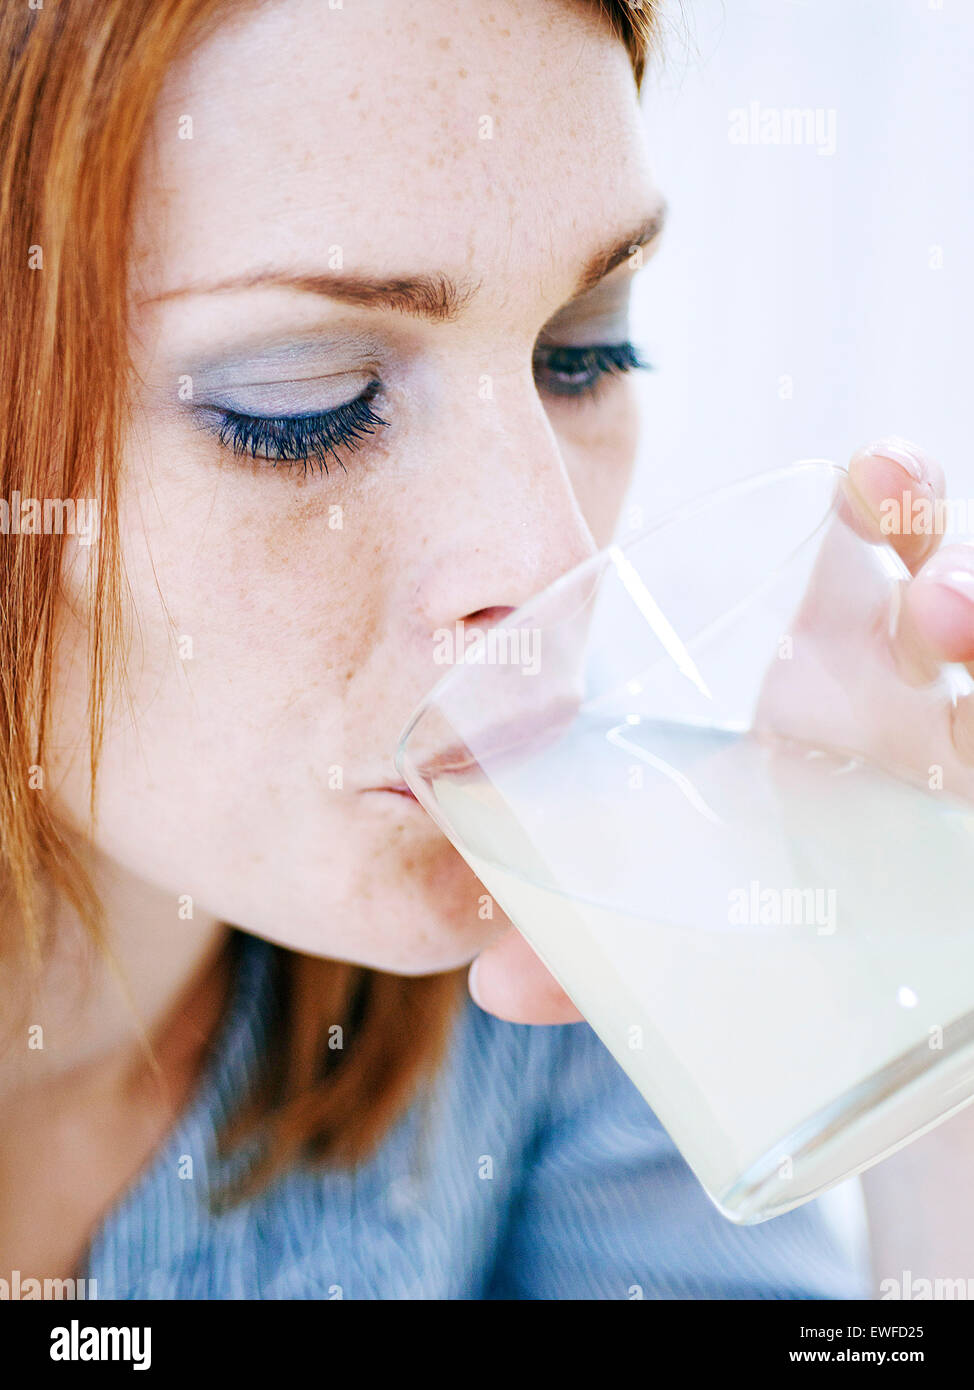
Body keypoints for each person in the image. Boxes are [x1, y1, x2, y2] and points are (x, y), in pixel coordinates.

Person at [1, 0, 967, 1300]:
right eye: (305, 404)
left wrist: (922, 1058)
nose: (547, 558)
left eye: (583, 351)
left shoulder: (559, 968)